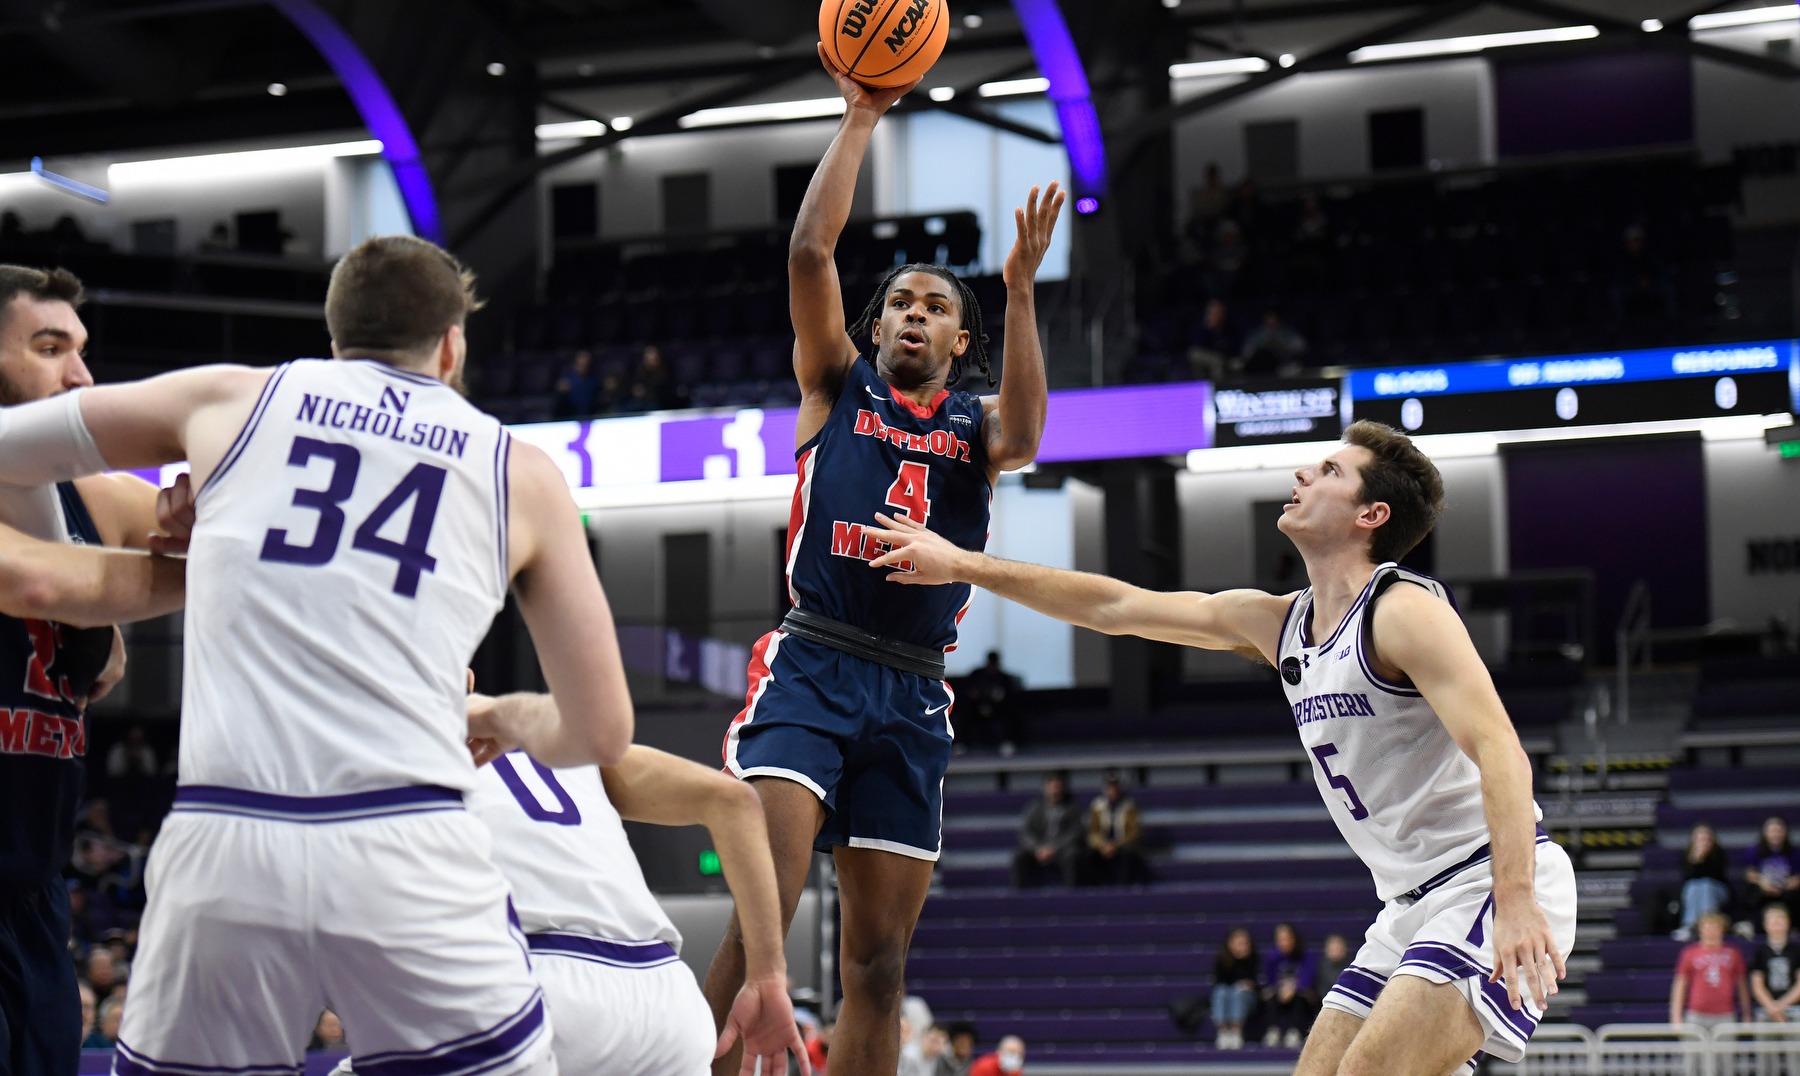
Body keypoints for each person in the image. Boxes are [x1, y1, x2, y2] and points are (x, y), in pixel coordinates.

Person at [0, 235, 639, 1076]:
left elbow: (18, 447)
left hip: (226, 841)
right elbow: (600, 731)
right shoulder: (519, 468)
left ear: (333, 334)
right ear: (452, 346)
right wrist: (507, 716)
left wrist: (226, 533)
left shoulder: (233, 397)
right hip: (408, 841)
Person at [864, 419, 1577, 1076]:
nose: (1303, 475)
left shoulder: (1403, 610)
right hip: (1407, 904)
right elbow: (1114, 606)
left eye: (1329, 470)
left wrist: (1514, 899)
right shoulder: (1276, 623)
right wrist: (965, 565)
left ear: (1371, 515)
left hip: (1488, 879)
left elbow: (1501, 750)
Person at [703, 43, 1064, 1076]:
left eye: (935, 306)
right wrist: (862, 112)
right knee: (758, 925)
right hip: (813, 661)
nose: (912, 311)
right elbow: (810, 256)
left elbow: (1030, 433)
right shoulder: (835, 385)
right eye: (900, 301)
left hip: (911, 689)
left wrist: (1023, 292)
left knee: (877, 964)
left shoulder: (973, 425)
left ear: (961, 341)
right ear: (876, 326)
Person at [336, 721, 808, 1075]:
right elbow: (733, 801)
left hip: (530, 989)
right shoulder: (560, 745)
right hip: (663, 1004)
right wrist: (767, 972)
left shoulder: (369, 757)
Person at [0, 264, 190, 1076]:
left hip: (33, 899)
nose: (79, 376)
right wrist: (187, 575)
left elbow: (255, 528)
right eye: (49, 348)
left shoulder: (90, 496)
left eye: (80, 350)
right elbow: (37, 581)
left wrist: (203, 514)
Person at [1671, 911, 1749, 1029]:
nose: (1711, 931)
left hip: (1725, 1014)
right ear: (1700, 930)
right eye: (1707, 927)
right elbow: (1680, 984)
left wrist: (1746, 1014)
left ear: (1722, 929)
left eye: (1715, 927)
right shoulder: (1689, 953)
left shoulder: (1733, 954)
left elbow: (1742, 985)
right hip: (1696, 1013)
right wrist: (1676, 1017)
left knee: (1725, 1048)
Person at [1011, 771, 1084, 888]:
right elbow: (1025, 832)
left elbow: (1076, 832)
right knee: (1019, 856)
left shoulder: (1073, 807)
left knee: (1073, 856)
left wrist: (1054, 848)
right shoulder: (1035, 807)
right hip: (1039, 850)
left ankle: (1072, 895)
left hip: (1061, 850)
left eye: (1058, 786)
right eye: (1051, 786)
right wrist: (1037, 848)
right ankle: (1019, 896)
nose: (1054, 790)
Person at [1261, 922, 1320, 1048]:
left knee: (1299, 997)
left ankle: (1294, 1031)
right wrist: (1280, 989)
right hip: (1280, 992)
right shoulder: (1272, 956)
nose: (1284, 942)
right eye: (1280, 939)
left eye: (1287, 939)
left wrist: (1293, 988)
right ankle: (1274, 1031)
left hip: (1300, 993)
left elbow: (1307, 979)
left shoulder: (1305, 955)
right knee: (1270, 996)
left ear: (1294, 938)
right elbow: (1270, 979)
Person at [1086, 770, 1147, 885]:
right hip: (1103, 847)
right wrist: (1103, 845)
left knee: (1129, 853)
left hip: (1122, 845)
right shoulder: (1097, 806)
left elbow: (1134, 832)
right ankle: (1093, 889)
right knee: (1088, 854)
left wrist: (1116, 845)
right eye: (1110, 788)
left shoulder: (1130, 806)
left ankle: (1123, 888)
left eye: (1115, 788)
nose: (1112, 791)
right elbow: (1093, 831)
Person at [1676, 822, 1732, 941]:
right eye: (1700, 838)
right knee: (1694, 886)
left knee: (1706, 884)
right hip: (1694, 892)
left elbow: (1716, 875)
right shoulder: (1687, 856)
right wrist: (1696, 859)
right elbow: (1688, 878)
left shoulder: (1719, 854)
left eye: (1706, 838)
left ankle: (1709, 924)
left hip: (1718, 891)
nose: (1704, 841)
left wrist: (1704, 858)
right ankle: (1690, 925)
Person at [959, 650, 1023, 751]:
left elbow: (1008, 696)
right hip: (977, 707)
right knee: (965, 712)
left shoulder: (1003, 678)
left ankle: (1007, 741)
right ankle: (962, 743)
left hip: (997, 708)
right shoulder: (977, 674)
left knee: (1011, 713)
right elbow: (969, 691)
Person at [1212, 926, 1260, 1050]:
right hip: (1228, 995)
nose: (1242, 946)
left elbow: (1256, 983)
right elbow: (1219, 982)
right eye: (1238, 943)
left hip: (1247, 998)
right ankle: (1223, 1031)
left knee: (1239, 992)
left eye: (1245, 943)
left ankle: (1236, 1031)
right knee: (1221, 991)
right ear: (1230, 944)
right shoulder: (1222, 959)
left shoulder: (1253, 958)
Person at [1752, 903, 1800, 1022]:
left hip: (1794, 1009)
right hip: (1766, 1009)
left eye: (1780, 919)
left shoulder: (1797, 950)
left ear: (1788, 923)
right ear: (1765, 924)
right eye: (1773, 920)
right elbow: (1757, 985)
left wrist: (1781, 1006)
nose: (1777, 923)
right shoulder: (1760, 952)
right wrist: (1772, 1007)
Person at [1745, 816, 1799, 918]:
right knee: (1750, 892)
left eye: (1779, 831)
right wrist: (1762, 883)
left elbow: (1797, 877)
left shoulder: (1794, 852)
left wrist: (1786, 885)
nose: (1776, 834)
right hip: (1764, 887)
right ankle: (1752, 924)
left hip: (1785, 889)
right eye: (1772, 831)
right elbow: (1750, 874)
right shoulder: (1754, 851)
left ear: (1785, 832)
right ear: (1765, 832)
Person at [551, 348, 600, 418]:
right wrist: (561, 392)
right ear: (575, 363)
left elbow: (595, 400)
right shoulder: (566, 380)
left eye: (586, 361)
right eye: (582, 359)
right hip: (571, 415)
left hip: (590, 414)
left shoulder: (594, 379)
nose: (584, 361)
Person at [1315, 933, 1352, 997]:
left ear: (1344, 949)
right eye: (1332, 949)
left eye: (1338, 948)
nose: (1335, 952)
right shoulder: (1320, 966)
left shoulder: (1352, 967)